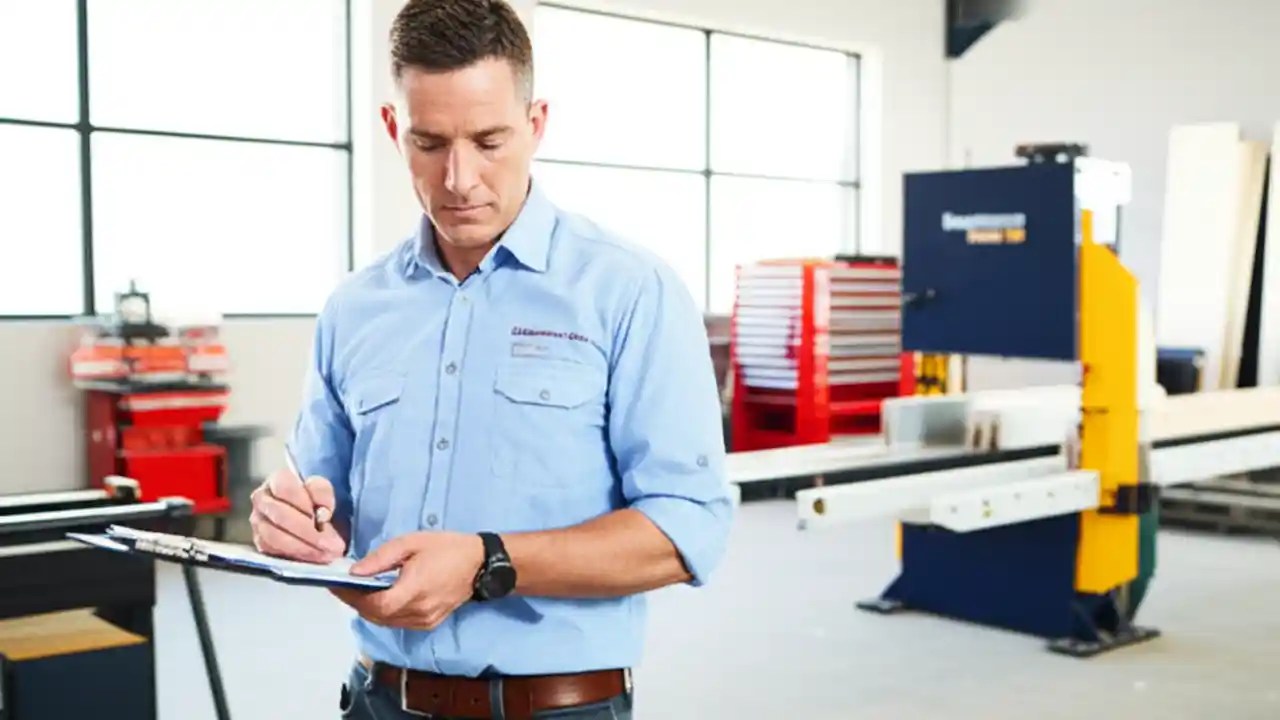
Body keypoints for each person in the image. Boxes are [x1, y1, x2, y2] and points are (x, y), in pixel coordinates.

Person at [247, 0, 735, 718]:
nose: (459, 178)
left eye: (489, 140)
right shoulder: (353, 308)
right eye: (431, 142)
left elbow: (687, 529)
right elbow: (327, 509)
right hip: (377, 699)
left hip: (555, 707)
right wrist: (291, 525)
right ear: (394, 130)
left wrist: (487, 561)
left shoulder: (630, 290)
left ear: (535, 125)